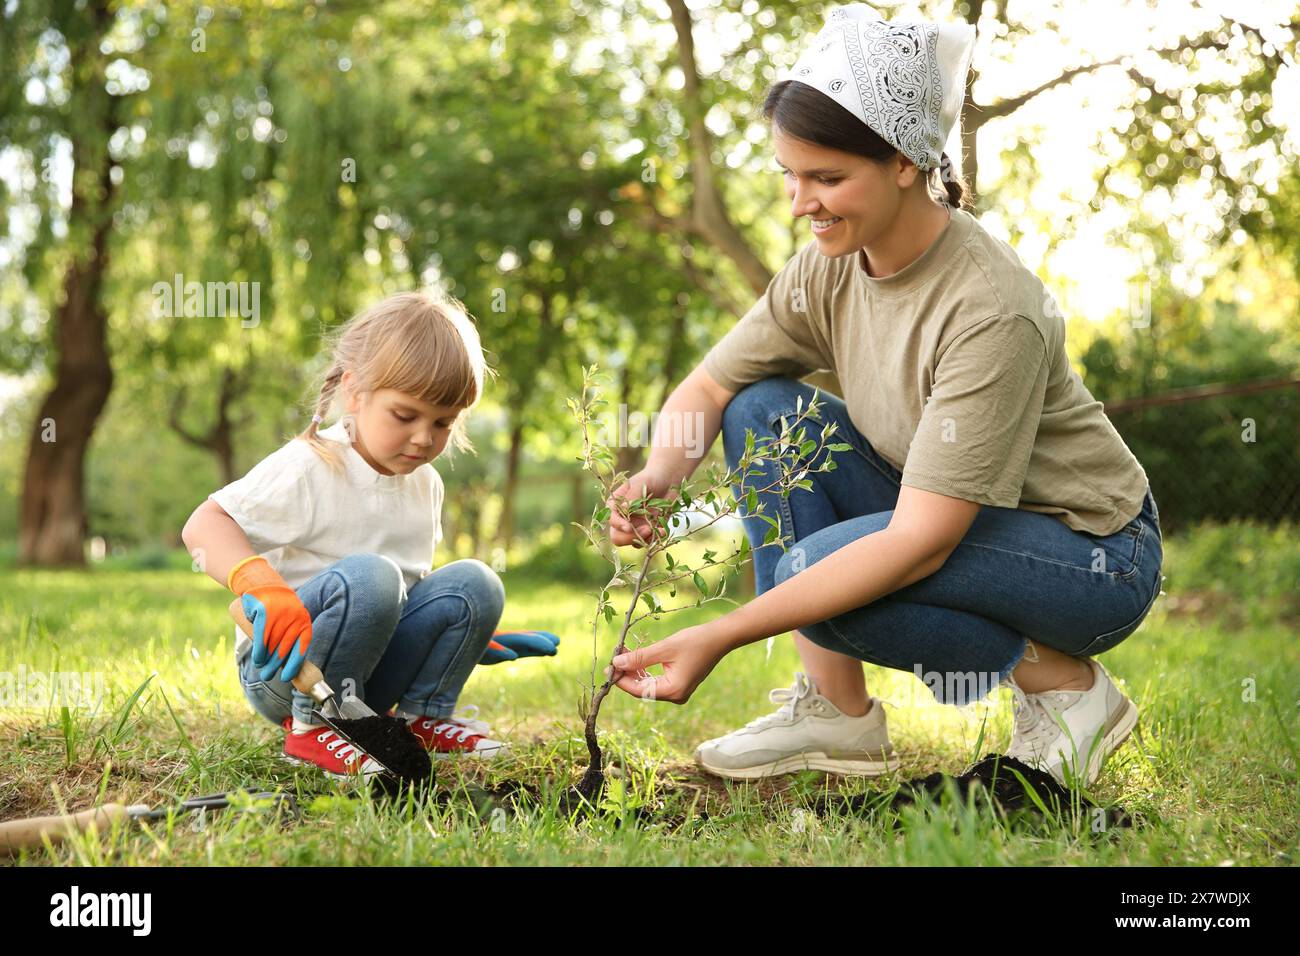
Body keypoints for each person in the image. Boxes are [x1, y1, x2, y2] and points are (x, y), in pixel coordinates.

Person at [605, 5, 1163, 788]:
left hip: (1091, 555)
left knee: (818, 581)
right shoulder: (828, 265)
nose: (802, 203)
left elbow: (919, 543)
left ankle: (1066, 688)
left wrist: (721, 633)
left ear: (906, 161)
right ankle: (839, 716)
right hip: (951, 515)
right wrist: (663, 472)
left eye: (827, 178)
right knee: (761, 410)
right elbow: (711, 384)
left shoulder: (990, 309)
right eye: (791, 176)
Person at [181, 290, 558, 781]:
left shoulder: (426, 484)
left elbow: (411, 591)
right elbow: (205, 524)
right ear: (355, 392)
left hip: (369, 678)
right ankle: (313, 729)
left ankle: (419, 721)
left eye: (443, 422)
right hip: (288, 669)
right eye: (405, 416)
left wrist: (460, 629)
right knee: (372, 575)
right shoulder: (310, 465)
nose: (424, 438)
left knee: (476, 584)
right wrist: (262, 587)